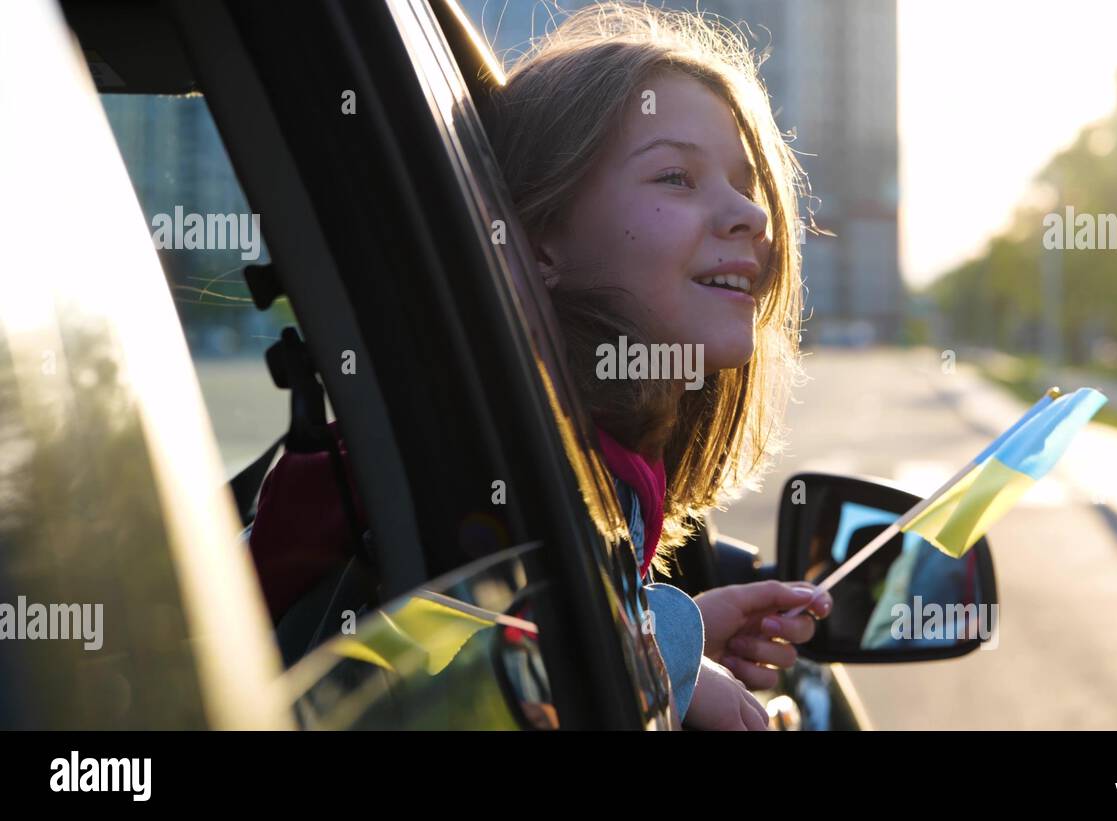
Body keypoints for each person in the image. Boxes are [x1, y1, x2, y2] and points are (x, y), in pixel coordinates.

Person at [251, 1, 831, 730]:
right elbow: (464, 671)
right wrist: (669, 663)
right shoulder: (484, 452)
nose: (748, 215)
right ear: (542, 242)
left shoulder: (574, 437)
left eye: (743, 184)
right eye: (676, 178)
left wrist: (679, 624)